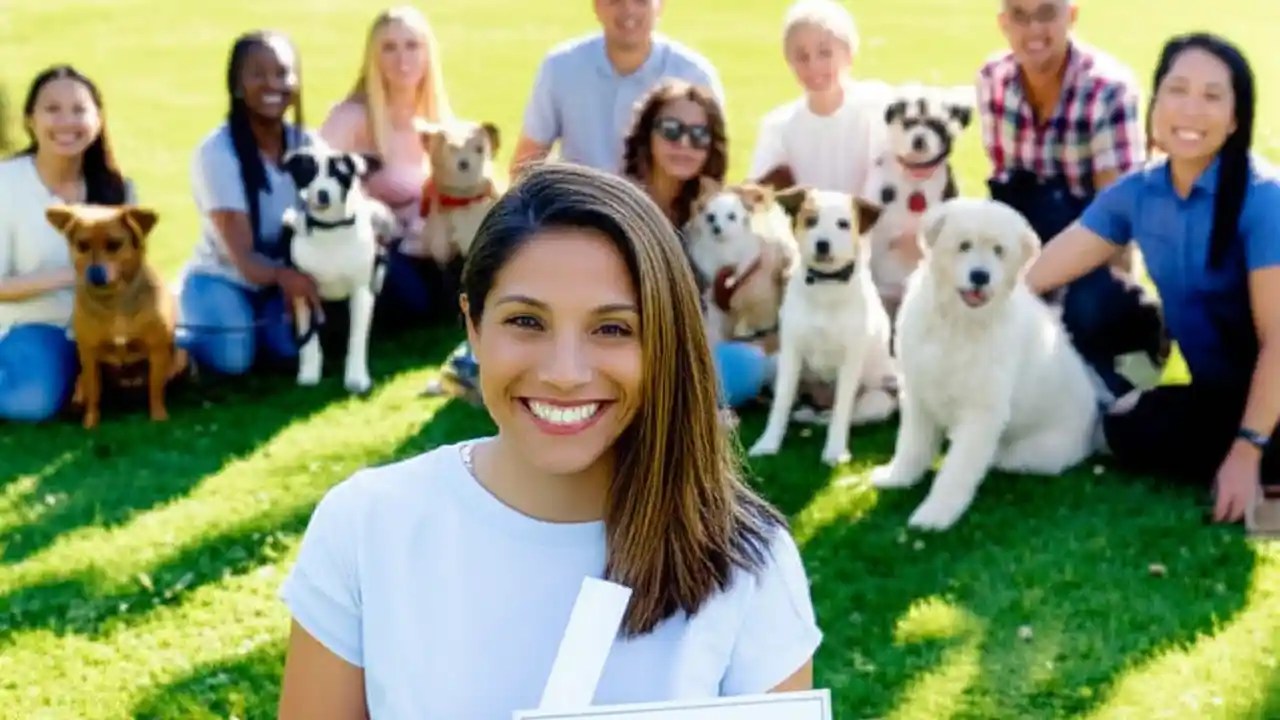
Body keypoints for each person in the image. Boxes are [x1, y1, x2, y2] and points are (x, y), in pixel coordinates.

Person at [277, 162, 822, 719]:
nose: (565, 373)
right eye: (526, 322)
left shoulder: (748, 562)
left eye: (613, 329)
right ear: (473, 328)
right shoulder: (367, 527)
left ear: (665, 341)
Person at [1024, 33, 1280, 523]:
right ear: (1156, 100)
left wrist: (1248, 450)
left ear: (1235, 119)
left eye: (1212, 96)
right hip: (1222, 397)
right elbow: (1040, 273)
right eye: (1177, 90)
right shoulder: (1137, 193)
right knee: (1124, 427)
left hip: (1273, 391)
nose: (1190, 109)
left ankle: (1262, 488)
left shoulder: (1264, 200)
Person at [976, 0, 1164, 396]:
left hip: (1091, 243)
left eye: (1047, 13)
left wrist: (1112, 296)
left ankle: (1140, 341)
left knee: (1089, 310)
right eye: (1019, 16)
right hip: (1026, 230)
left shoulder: (1108, 91)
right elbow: (1003, 188)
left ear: (1072, 16)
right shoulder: (992, 79)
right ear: (1002, 23)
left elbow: (1119, 219)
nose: (1033, 30)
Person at [176, 31, 320, 376]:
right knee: (233, 359)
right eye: (257, 73)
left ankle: (262, 328)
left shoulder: (309, 143)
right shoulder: (217, 153)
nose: (272, 83)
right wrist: (289, 278)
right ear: (237, 85)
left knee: (289, 350)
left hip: (278, 278)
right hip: (224, 276)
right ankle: (180, 338)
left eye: (282, 73)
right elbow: (243, 259)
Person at [620, 78, 770, 409]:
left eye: (699, 135)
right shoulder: (621, 206)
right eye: (672, 130)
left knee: (755, 361)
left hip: (687, 349)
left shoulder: (710, 212)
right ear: (648, 134)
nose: (685, 143)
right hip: (628, 348)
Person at [0, 65, 134, 422]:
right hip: (22, 326)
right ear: (30, 120)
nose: (66, 122)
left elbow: (133, 277)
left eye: (79, 109)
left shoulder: (117, 189)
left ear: (98, 119)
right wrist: (74, 275)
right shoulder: (6, 183)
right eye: (52, 109)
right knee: (32, 402)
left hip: (98, 330)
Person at [319, 6, 460, 326]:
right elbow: (314, 189)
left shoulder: (437, 120)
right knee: (414, 303)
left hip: (428, 243)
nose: (402, 59)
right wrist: (387, 221)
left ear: (427, 54)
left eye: (412, 46)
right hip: (369, 246)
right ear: (373, 57)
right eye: (389, 48)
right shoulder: (350, 118)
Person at [508, 0, 725, 177]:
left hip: (665, 218)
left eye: (641, 1)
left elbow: (713, 171)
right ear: (596, 5)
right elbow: (528, 160)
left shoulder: (694, 75)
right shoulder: (560, 66)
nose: (628, 10)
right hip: (581, 214)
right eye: (615, 0)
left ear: (661, 5)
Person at [747, 0, 893, 196]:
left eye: (825, 53)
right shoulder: (778, 127)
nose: (813, 66)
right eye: (802, 57)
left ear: (849, 54)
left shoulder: (879, 108)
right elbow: (757, 193)